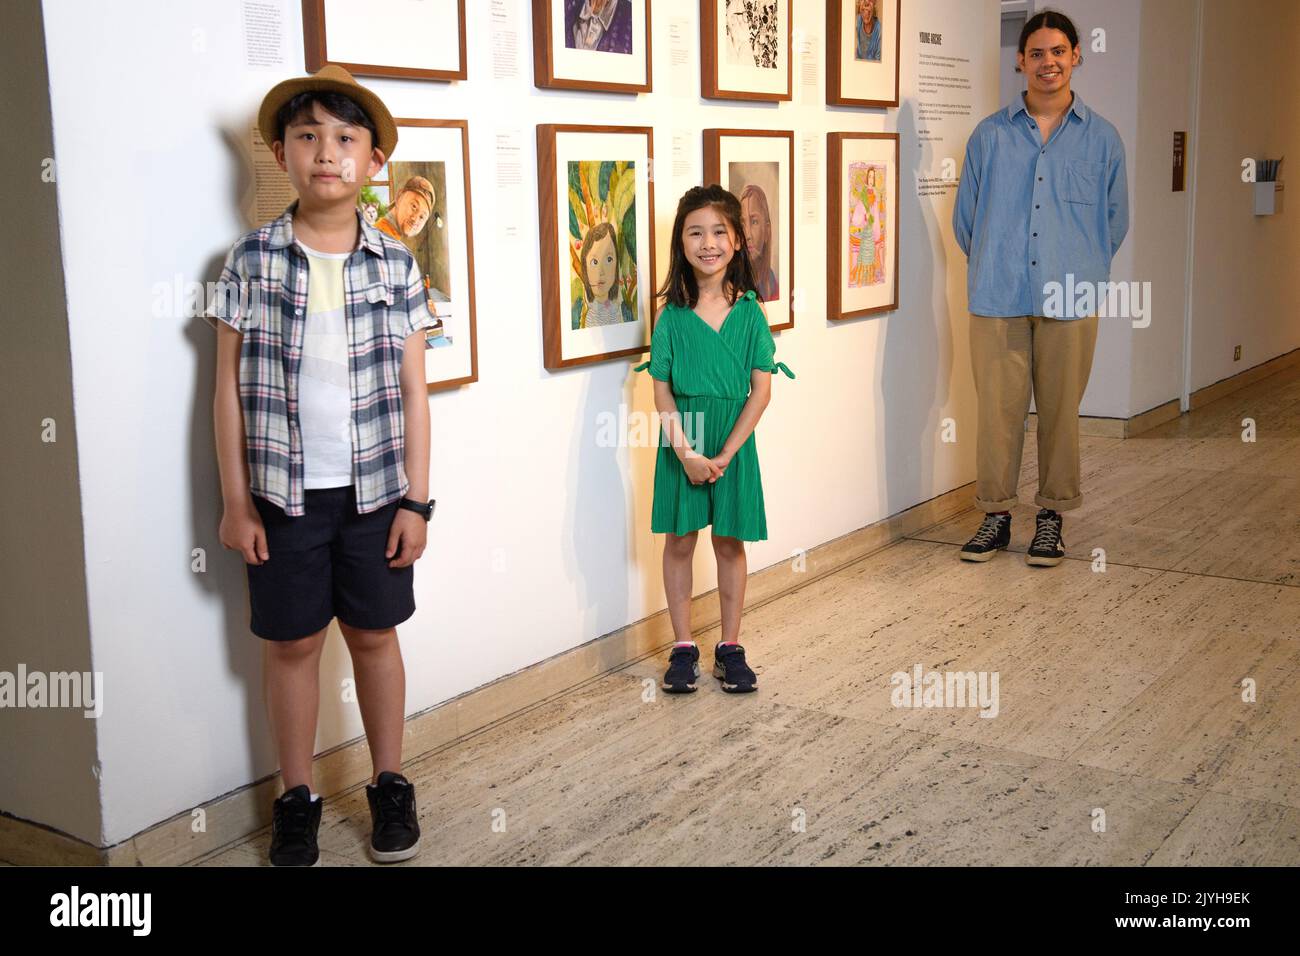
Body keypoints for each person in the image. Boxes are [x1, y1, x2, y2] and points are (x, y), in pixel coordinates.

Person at [206, 64, 437, 866]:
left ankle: (390, 784)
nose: (325, 152)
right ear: (281, 153)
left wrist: (419, 503)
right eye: (307, 137)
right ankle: (295, 798)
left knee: (375, 636)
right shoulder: (252, 261)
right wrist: (237, 504)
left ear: (375, 162)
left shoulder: (396, 264)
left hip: (377, 498)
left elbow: (414, 392)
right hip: (282, 498)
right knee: (293, 646)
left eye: (345, 138)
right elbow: (228, 391)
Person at [952, 9, 1128, 566]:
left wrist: (1081, 271)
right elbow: (967, 221)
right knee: (997, 413)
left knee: (1060, 412)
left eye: (1058, 51)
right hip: (997, 296)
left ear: (1076, 56)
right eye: (1036, 53)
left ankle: (1051, 517)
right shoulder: (990, 136)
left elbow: (1114, 220)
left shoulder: (1102, 140)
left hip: (1070, 298)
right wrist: (996, 265)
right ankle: (996, 515)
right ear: (1020, 61)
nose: (1047, 62)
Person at [633, 185, 795, 694]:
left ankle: (730, 645)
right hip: (684, 443)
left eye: (719, 232)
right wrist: (686, 453)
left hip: (733, 445)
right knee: (679, 541)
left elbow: (761, 391)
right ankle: (683, 646)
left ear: (737, 240)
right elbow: (661, 393)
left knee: (729, 541)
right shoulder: (670, 316)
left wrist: (724, 453)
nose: (708, 243)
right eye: (695, 232)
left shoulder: (750, 312)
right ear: (681, 242)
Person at [578, 220, 624, 327]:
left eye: (609, 259)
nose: (601, 272)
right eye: (594, 262)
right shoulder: (589, 315)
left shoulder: (619, 309)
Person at [739, 183, 779, 302]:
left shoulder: (772, 285)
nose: (747, 235)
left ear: (767, 231)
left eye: (754, 222)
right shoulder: (731, 282)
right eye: (742, 223)